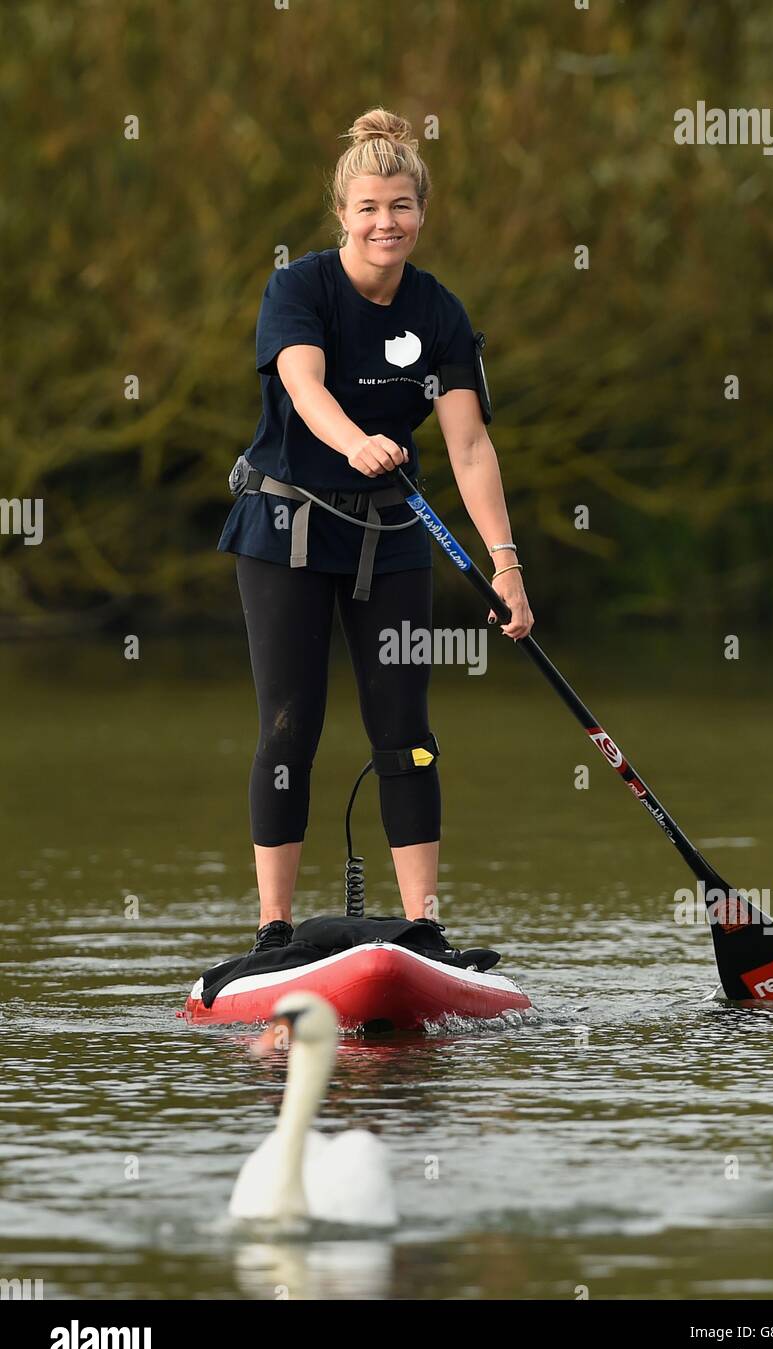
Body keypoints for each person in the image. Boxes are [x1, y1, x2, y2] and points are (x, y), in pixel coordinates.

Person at [218, 107, 534, 951]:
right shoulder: (301, 288)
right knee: (292, 726)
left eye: (400, 206)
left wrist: (505, 566)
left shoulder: (440, 311)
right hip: (285, 530)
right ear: (343, 215)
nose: (385, 222)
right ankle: (274, 930)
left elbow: (468, 447)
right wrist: (355, 440)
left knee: (406, 728)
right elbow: (304, 385)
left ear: (420, 212)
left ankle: (425, 928)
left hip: (393, 535)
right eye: (368, 208)